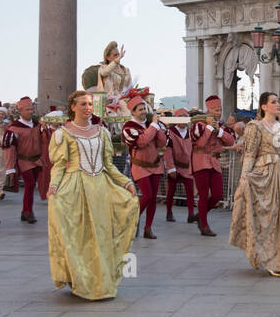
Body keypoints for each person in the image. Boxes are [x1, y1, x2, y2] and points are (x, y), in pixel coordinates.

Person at [47, 90, 140, 301]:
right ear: (73, 107)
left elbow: (108, 165)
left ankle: (101, 280)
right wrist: (54, 185)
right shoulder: (64, 133)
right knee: (79, 236)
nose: (88, 108)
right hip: (76, 186)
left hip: (100, 188)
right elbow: (60, 165)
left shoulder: (102, 132)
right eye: (83, 104)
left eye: (90, 104)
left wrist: (126, 182)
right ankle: (80, 279)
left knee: (102, 235)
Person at [230, 92, 280, 277]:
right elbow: (250, 153)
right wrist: (245, 176)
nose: (277, 104)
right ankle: (269, 257)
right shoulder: (255, 127)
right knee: (268, 215)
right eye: (273, 102)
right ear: (264, 106)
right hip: (266, 173)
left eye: (277, 101)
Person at [121, 94, 167, 240]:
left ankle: (148, 228)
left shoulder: (150, 125)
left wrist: (157, 127)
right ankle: (132, 220)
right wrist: (153, 126)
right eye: (140, 109)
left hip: (155, 164)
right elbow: (142, 142)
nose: (143, 111)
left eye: (144, 108)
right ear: (133, 112)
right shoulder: (128, 128)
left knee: (153, 198)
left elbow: (162, 142)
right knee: (147, 195)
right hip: (140, 166)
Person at [190, 96, 234, 236]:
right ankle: (204, 225)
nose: (219, 112)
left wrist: (219, 131)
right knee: (203, 194)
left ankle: (199, 215)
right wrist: (209, 128)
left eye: (220, 109)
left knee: (217, 194)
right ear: (208, 110)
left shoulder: (221, 126)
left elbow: (231, 141)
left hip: (215, 162)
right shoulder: (198, 125)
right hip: (200, 160)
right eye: (216, 109)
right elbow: (200, 144)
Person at [3, 97, 45, 224]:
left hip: (36, 160)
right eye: (27, 109)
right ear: (20, 111)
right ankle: (29, 212)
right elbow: (9, 148)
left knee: (31, 186)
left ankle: (24, 212)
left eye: (32, 109)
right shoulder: (14, 128)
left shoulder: (37, 125)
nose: (30, 112)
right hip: (23, 161)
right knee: (30, 184)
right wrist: (10, 167)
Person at [164, 110, 196, 224]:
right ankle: (169, 212)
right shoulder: (170, 132)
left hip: (187, 168)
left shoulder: (191, 133)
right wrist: (171, 167)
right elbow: (167, 151)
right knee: (171, 191)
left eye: (185, 117)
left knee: (190, 191)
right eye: (180, 117)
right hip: (175, 166)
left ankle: (191, 214)